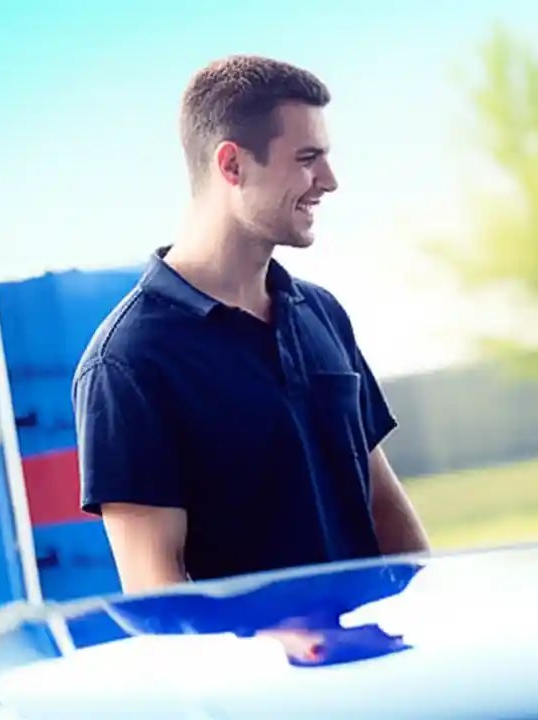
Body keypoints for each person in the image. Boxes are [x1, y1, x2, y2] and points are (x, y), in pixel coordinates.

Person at [72, 54, 429, 594]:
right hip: (260, 679)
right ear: (232, 165)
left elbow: (384, 508)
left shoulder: (322, 314)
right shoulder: (127, 365)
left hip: (381, 664)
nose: (329, 181)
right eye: (308, 158)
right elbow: (160, 597)